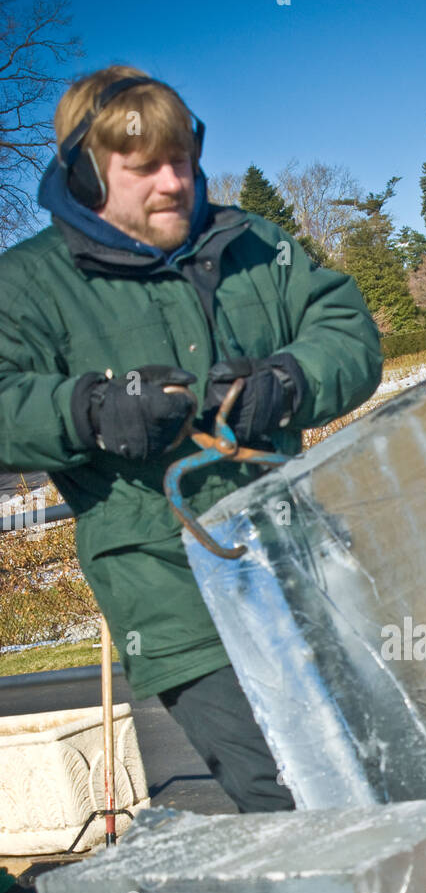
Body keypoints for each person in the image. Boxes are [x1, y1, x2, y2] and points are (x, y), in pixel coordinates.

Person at [0, 66, 383, 813]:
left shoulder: (249, 243)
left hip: (302, 556)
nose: (174, 182)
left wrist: (288, 380)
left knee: (391, 758)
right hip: (170, 586)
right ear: (85, 176)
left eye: (182, 159)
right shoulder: (29, 285)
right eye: (144, 168)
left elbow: (346, 330)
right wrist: (89, 411)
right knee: (296, 792)